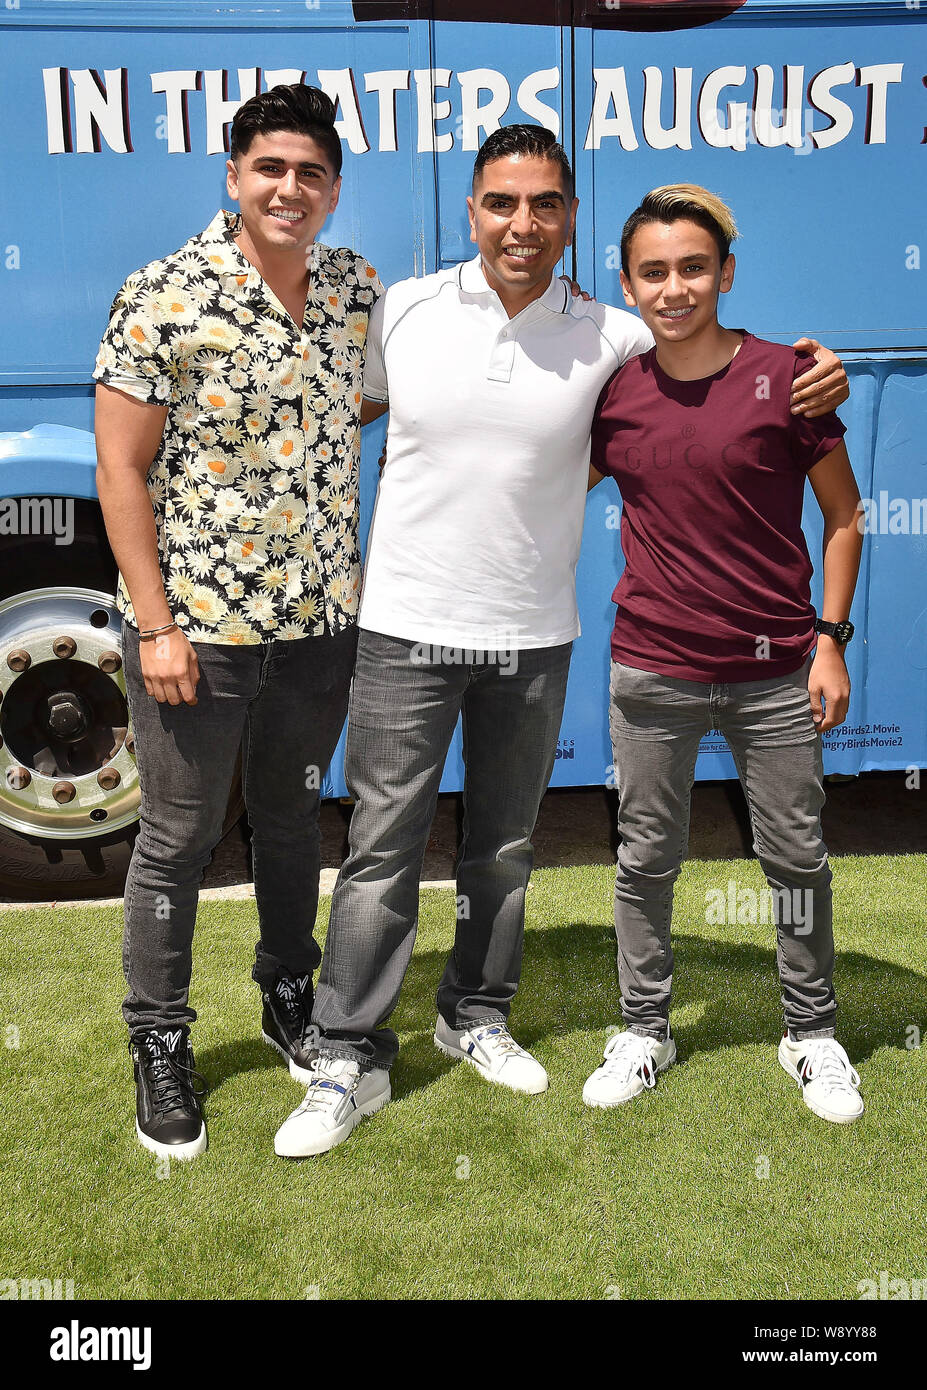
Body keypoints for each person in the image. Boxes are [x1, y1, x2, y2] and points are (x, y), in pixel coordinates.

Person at [273, 128, 847, 1158]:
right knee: (378, 853)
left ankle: (474, 1015)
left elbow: (713, 360)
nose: (522, 224)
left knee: (501, 847)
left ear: (572, 218)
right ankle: (347, 1054)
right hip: (404, 628)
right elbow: (323, 423)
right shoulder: (400, 312)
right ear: (472, 210)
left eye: (544, 205)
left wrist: (811, 370)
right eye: (502, 202)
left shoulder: (611, 335)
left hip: (534, 636)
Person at [93, 84, 384, 1160]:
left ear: (335, 188)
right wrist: (158, 625)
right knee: (175, 838)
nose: (289, 189)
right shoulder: (164, 293)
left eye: (310, 173)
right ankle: (159, 1041)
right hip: (197, 632)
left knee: (293, 819)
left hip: (316, 623)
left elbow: (369, 396)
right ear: (233, 174)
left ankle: (288, 996)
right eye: (270, 168)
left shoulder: (356, 288)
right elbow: (120, 470)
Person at [582, 184, 865, 1124]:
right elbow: (526, 479)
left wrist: (827, 642)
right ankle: (644, 1028)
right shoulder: (611, 395)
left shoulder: (790, 375)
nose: (674, 287)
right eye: (653, 271)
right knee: (644, 859)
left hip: (777, 669)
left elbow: (842, 515)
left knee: (793, 855)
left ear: (725, 273)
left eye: (692, 267)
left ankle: (810, 1032)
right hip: (651, 666)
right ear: (627, 285)